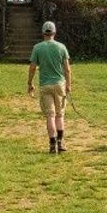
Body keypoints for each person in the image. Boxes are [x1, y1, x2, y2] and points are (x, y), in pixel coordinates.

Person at [25, 20, 73, 154]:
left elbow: (33, 67)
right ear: (54, 32)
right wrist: (68, 84)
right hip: (59, 84)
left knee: (50, 116)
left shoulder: (37, 48)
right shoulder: (61, 47)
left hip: (45, 85)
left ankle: (52, 144)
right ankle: (61, 142)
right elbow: (67, 69)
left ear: (43, 33)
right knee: (60, 115)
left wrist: (30, 83)